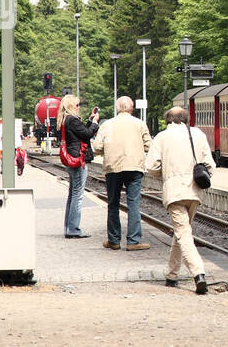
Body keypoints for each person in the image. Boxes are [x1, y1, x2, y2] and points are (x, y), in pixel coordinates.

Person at [145, 107, 215, 294]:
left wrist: (166, 174)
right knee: (181, 231)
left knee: (183, 232)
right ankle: (172, 274)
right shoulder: (198, 134)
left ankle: (198, 273)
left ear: (167, 119)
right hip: (195, 191)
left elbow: (151, 166)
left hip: (174, 191)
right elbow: (210, 165)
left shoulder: (161, 137)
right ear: (186, 118)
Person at [92, 96, 152, 251]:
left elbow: (97, 147)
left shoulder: (108, 125)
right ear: (131, 109)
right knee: (133, 204)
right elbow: (149, 146)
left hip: (113, 168)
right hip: (134, 168)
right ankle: (133, 241)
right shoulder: (139, 124)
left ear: (117, 108)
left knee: (113, 203)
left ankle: (114, 240)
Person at [58, 95, 99, 238]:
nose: (78, 107)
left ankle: (69, 227)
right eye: (77, 105)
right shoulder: (72, 120)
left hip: (71, 158)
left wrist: (89, 121)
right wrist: (94, 123)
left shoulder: (65, 119)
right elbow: (87, 134)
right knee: (77, 195)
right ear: (70, 106)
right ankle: (73, 229)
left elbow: (82, 134)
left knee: (72, 193)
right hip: (77, 159)